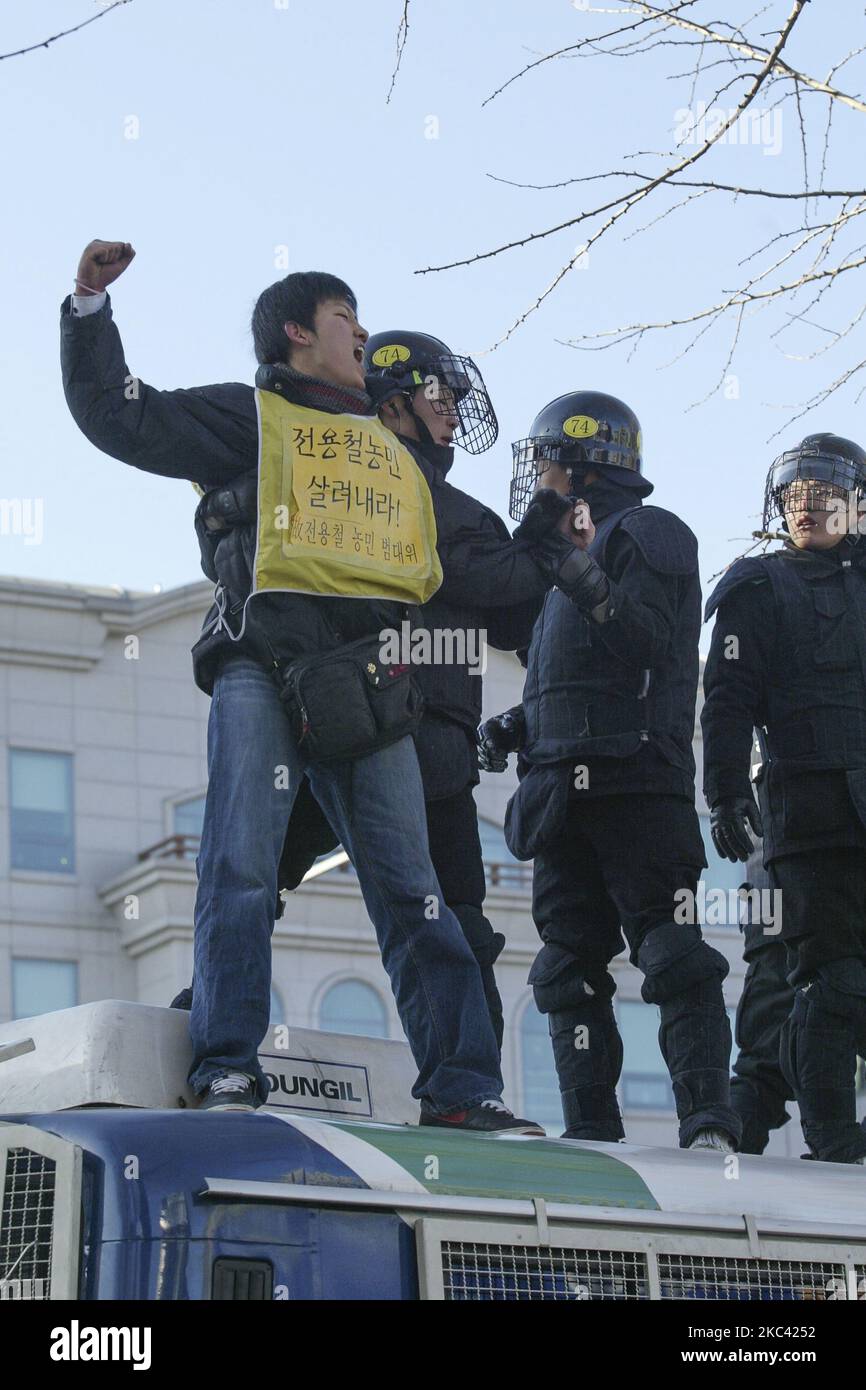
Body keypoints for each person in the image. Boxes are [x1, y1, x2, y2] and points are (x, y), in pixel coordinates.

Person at [61, 239, 541, 1134]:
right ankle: (226, 1068)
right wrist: (89, 305)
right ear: (295, 333)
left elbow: (480, 577)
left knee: (412, 889)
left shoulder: (394, 458)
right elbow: (121, 417)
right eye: (345, 317)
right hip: (261, 665)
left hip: (365, 680)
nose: (361, 333)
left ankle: (463, 1090)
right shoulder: (252, 419)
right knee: (239, 867)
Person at [479, 391, 741, 1151]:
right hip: (559, 790)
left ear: (585, 467)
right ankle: (592, 1130)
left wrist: (565, 562)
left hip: (637, 783)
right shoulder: (561, 561)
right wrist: (518, 724)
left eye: (547, 462)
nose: (539, 478)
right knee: (566, 970)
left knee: (672, 951)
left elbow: (645, 642)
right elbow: (576, 676)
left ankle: (708, 1123)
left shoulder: (650, 532)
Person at [702, 433, 866, 1165]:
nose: (806, 508)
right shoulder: (760, 586)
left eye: (824, 495)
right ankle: (831, 1143)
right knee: (832, 980)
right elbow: (727, 699)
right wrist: (725, 791)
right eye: (795, 496)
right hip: (807, 821)